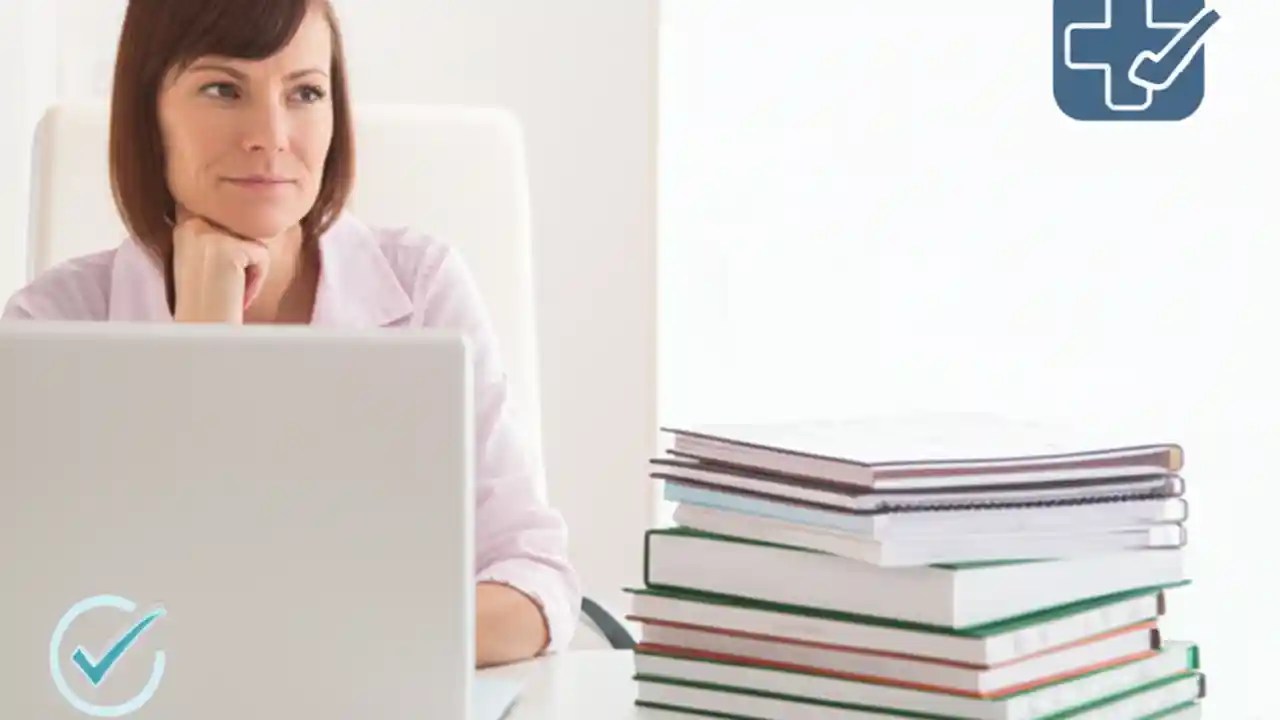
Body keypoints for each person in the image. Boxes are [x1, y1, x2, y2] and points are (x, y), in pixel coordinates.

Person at [1, 0, 581, 667]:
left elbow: (536, 579)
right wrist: (202, 342)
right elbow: (62, 618)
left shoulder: (422, 287)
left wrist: (330, 648)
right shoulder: (53, 328)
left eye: (305, 92)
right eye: (222, 89)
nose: (271, 135)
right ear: (147, 114)